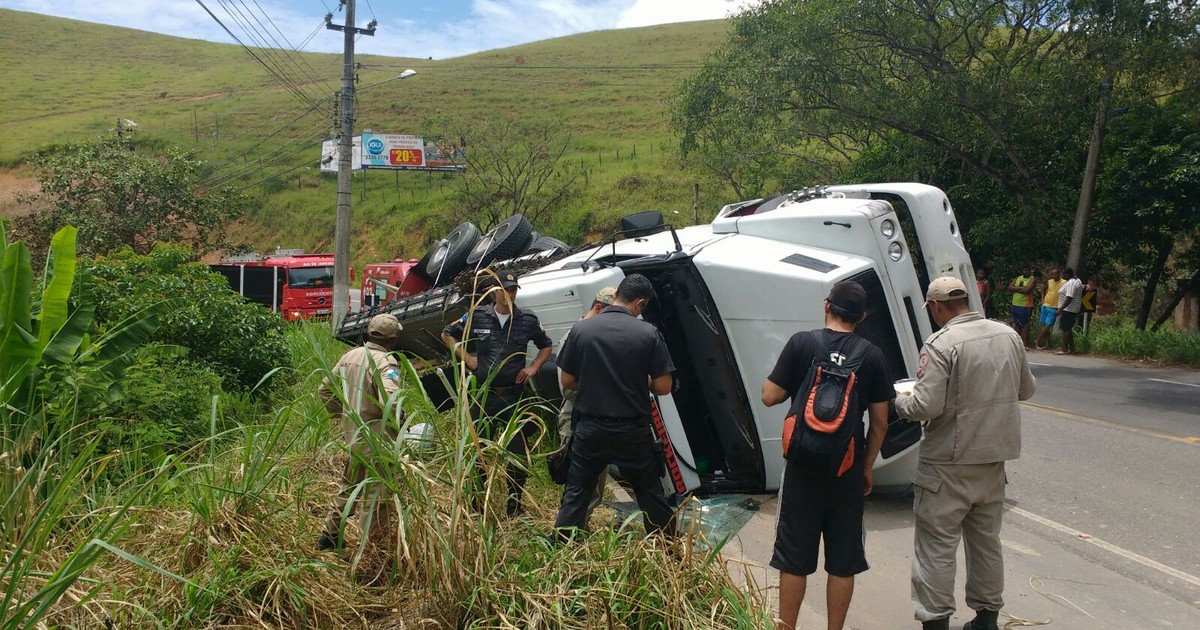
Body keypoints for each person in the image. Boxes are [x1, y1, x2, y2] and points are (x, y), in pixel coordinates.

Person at [894, 276, 1036, 630]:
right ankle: (987, 619)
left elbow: (926, 406)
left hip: (947, 464)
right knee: (986, 543)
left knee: (936, 546)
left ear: (937, 306)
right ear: (967, 299)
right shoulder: (1008, 335)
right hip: (993, 461)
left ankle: (936, 621)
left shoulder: (941, 344)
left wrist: (899, 402)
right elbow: (1026, 390)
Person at [760, 280, 894, 630]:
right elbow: (880, 423)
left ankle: (785, 627)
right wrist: (866, 467)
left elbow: (769, 396)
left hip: (802, 466)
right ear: (862, 316)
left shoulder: (802, 343)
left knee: (794, 559)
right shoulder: (872, 354)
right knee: (843, 561)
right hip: (846, 467)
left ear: (826, 306)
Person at [553, 274, 676, 541]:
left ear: (617, 294)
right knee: (651, 496)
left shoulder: (582, 330)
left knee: (576, 496)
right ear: (640, 303)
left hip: (590, 430)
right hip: (632, 433)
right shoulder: (648, 333)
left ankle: (560, 553)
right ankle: (671, 554)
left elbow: (567, 380)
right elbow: (664, 387)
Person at [441, 270, 553, 516]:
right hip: (484, 397)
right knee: (478, 450)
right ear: (495, 291)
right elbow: (447, 334)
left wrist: (533, 367)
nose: (511, 294)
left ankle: (514, 506)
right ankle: (478, 505)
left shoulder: (527, 319)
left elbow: (546, 345)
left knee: (517, 455)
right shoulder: (478, 315)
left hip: (514, 397)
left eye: (514, 289)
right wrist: (466, 357)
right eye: (507, 289)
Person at [317, 313, 404, 551]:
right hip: (377, 439)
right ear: (393, 340)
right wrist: (400, 421)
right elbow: (391, 401)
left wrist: (343, 412)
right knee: (376, 495)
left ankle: (330, 534)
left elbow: (324, 390)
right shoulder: (387, 362)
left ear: (368, 333)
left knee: (349, 486)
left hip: (353, 435)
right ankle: (372, 548)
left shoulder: (350, 356)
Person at [555, 286, 618, 526]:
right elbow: (567, 389)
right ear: (598, 308)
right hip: (575, 422)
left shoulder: (597, 336)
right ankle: (569, 536)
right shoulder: (575, 337)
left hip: (593, 423)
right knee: (578, 489)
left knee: (594, 489)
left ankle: (577, 532)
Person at [1055, 267, 1084, 355]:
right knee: (1068, 329)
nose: (1063, 276)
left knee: (1065, 329)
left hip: (1068, 309)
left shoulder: (1071, 283)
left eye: (1064, 274)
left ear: (1068, 274)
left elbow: (1069, 297)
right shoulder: (1077, 280)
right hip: (1073, 309)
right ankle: (1072, 348)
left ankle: (1064, 349)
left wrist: (1060, 309)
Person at [1034, 267, 1064, 350]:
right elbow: (1043, 288)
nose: (1053, 276)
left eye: (1055, 274)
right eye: (1052, 274)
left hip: (1054, 307)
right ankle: (1048, 344)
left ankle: (1037, 340)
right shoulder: (1049, 281)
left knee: (1047, 326)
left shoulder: (1064, 282)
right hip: (1045, 305)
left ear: (1059, 274)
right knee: (1044, 326)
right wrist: (1042, 298)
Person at [1005, 265, 1035, 347]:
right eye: (1024, 270)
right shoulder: (1018, 278)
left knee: (1025, 324)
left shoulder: (1032, 279)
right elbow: (1010, 287)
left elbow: (1027, 290)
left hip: (1025, 305)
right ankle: (1017, 343)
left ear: (1030, 271)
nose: (1026, 272)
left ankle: (1024, 343)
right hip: (1015, 304)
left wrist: (1016, 288)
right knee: (1016, 323)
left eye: (1027, 271)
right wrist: (1021, 288)